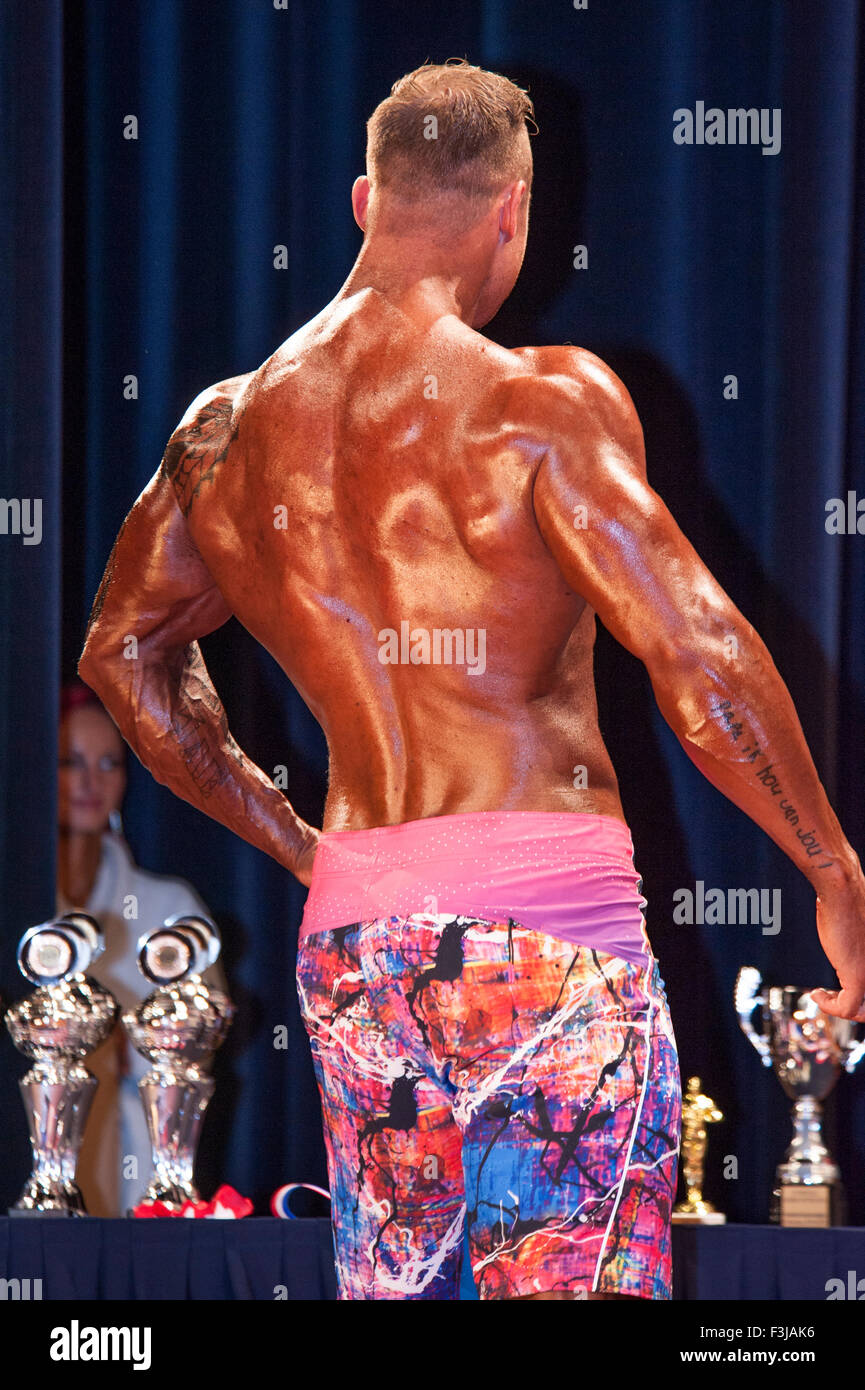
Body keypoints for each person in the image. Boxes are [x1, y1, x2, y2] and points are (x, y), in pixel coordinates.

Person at [78, 59, 865, 1299]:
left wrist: (297, 843)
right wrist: (830, 867)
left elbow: (121, 659)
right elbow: (698, 654)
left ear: (361, 201)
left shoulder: (219, 437)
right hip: (541, 939)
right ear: (512, 213)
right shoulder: (537, 404)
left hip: (353, 942)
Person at [57, 680, 225, 1216]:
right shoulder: (17, 906)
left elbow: (205, 1035)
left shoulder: (169, 903)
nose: (90, 782)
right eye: (69, 762)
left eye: (108, 763)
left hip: (137, 1167)